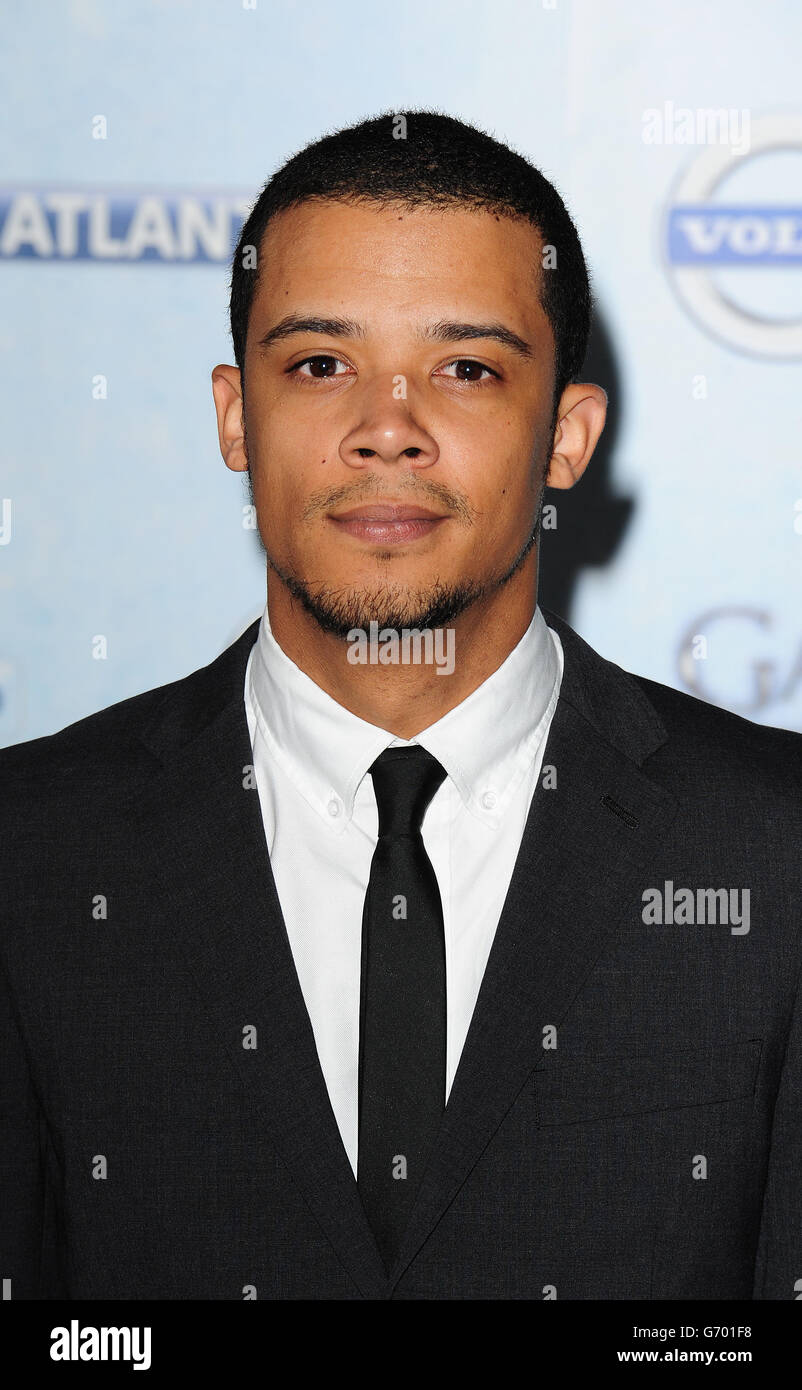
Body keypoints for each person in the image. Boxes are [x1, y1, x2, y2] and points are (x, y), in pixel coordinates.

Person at [2, 110, 800, 1301]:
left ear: (568, 438)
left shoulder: (775, 845)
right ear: (234, 414)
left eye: (465, 368)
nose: (387, 429)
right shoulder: (32, 849)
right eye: (320, 364)